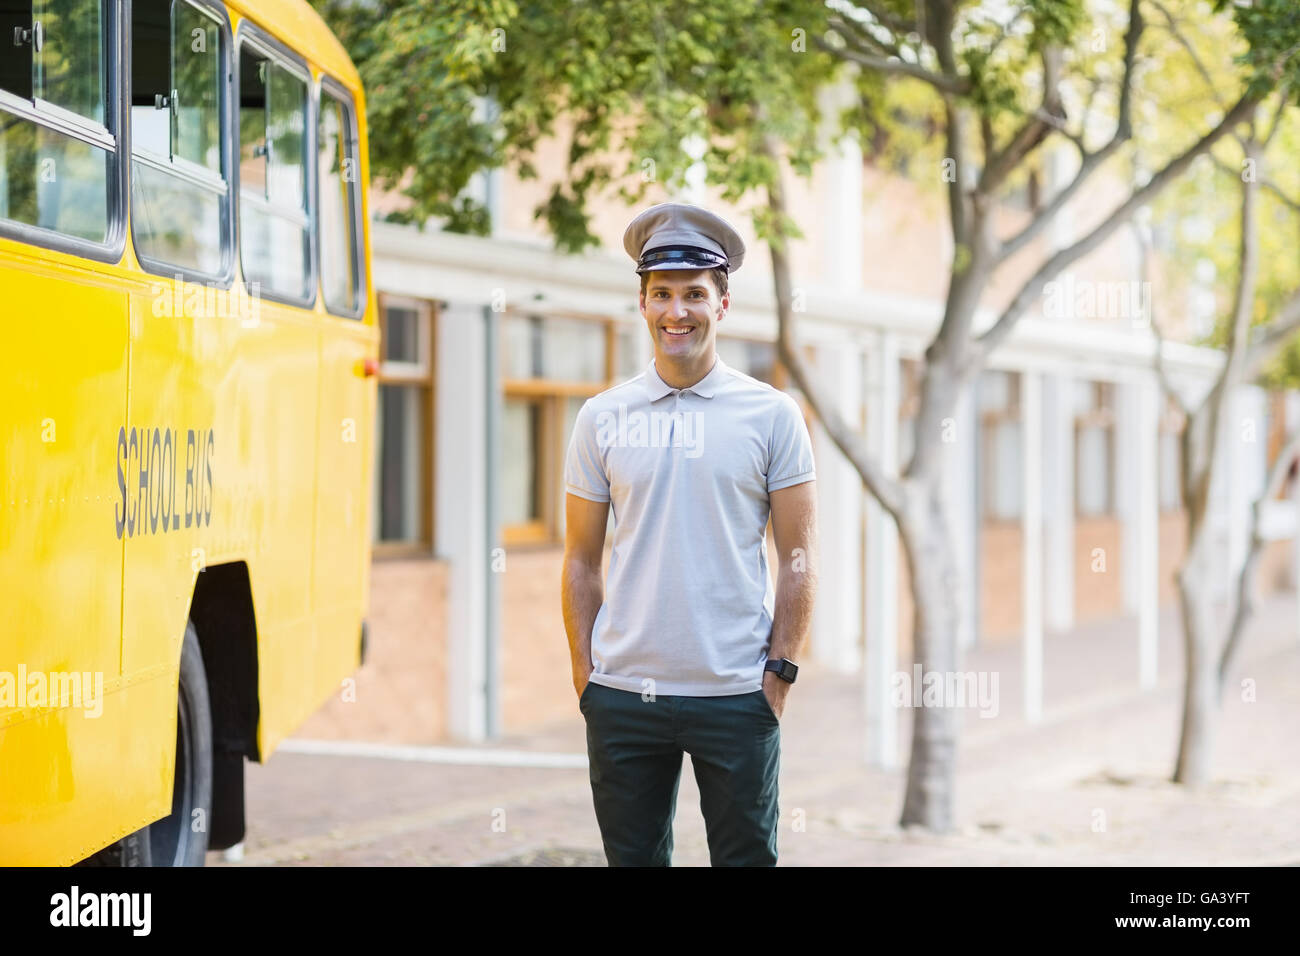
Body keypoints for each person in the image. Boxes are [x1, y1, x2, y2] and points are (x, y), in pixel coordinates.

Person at [561, 201, 819, 866]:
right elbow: (581, 561)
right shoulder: (602, 417)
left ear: (723, 304)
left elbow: (798, 558)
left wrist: (778, 678)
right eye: (663, 295)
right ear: (643, 305)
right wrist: (587, 677)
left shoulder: (772, 416)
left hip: (736, 695)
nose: (679, 312)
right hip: (622, 698)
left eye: (695, 295)